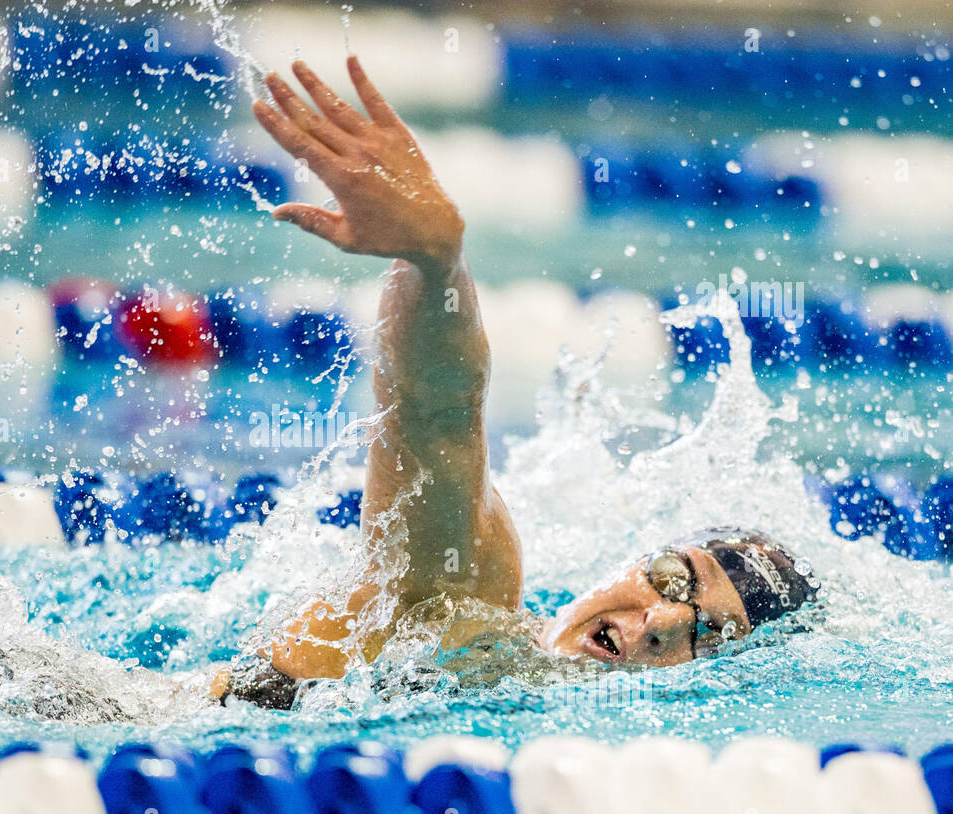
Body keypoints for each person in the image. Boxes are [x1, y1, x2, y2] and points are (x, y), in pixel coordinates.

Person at [213, 57, 818, 709]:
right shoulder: (468, 598)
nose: (663, 622)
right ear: (640, 558)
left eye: (711, 636)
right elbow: (439, 417)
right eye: (674, 579)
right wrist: (436, 263)